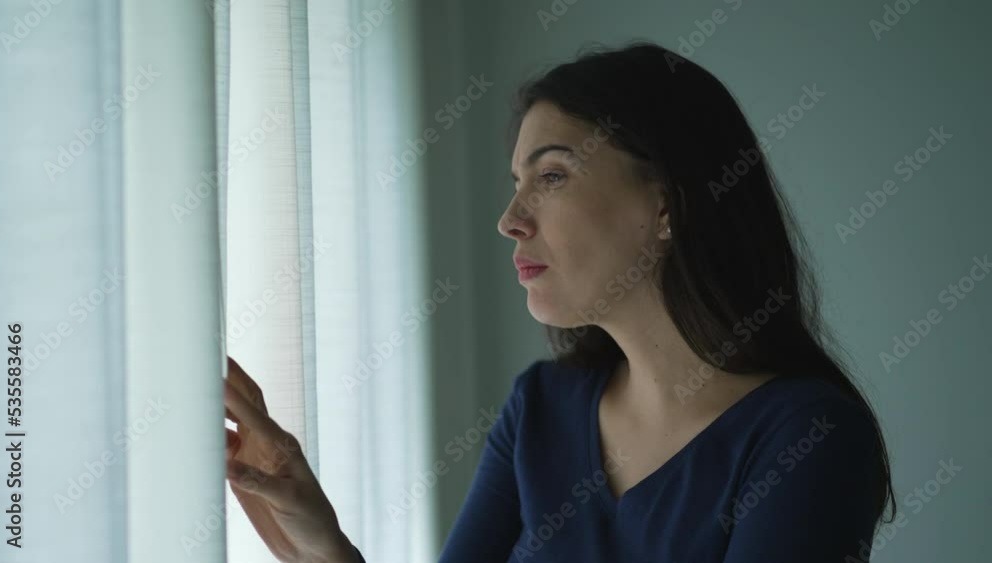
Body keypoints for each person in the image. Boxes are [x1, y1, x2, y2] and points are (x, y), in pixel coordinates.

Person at [223, 40, 896, 562]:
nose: (510, 218)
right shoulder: (540, 410)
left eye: (551, 175)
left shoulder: (808, 435)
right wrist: (321, 539)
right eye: (517, 182)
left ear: (667, 202)